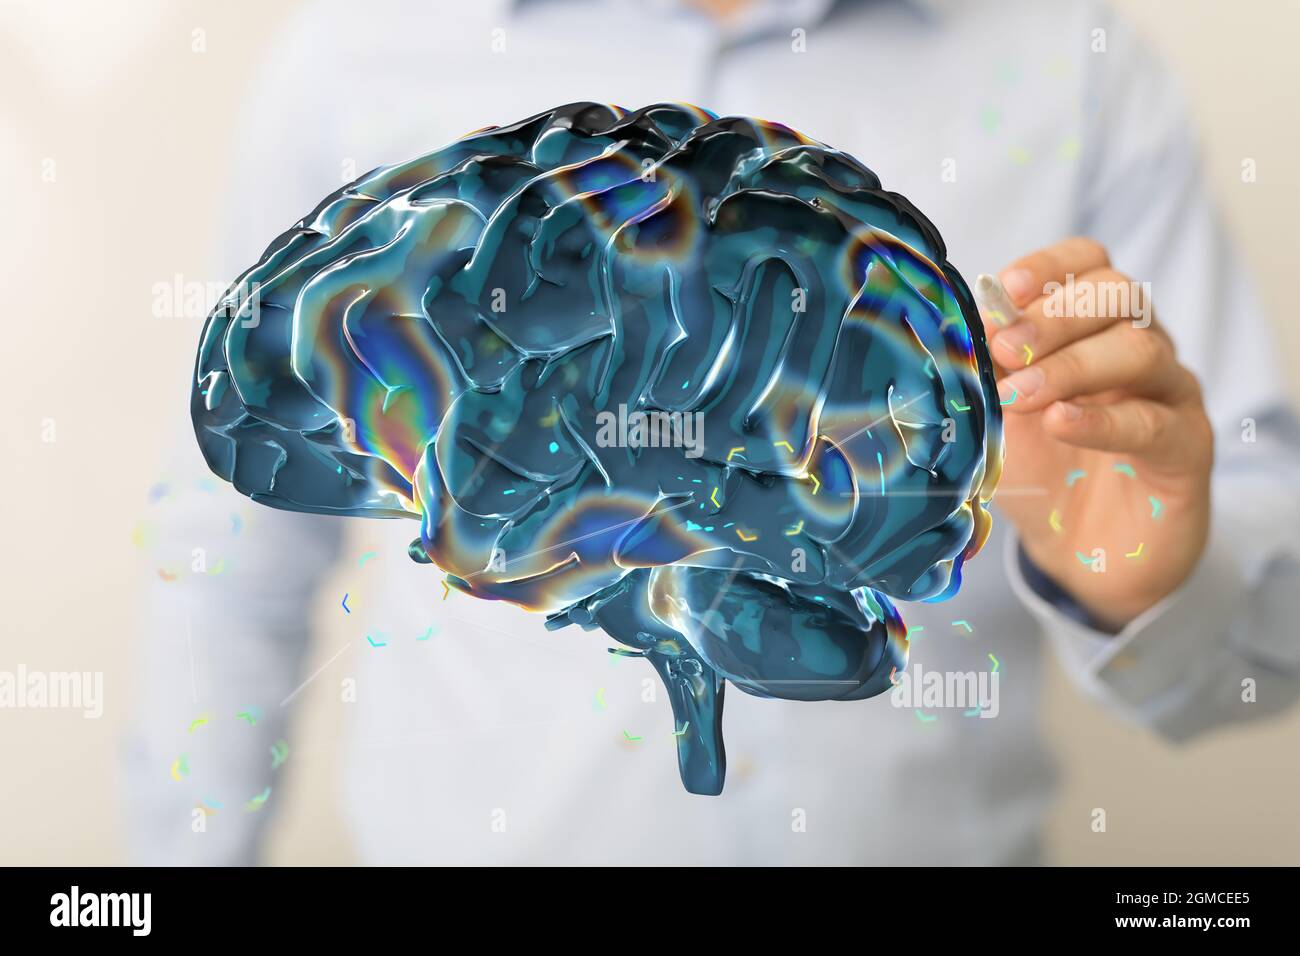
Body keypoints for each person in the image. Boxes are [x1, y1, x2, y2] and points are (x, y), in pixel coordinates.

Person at [126, 0, 1300, 865]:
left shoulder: (1075, 72)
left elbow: (1261, 666)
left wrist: (1149, 577)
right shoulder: (357, 50)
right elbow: (226, 567)